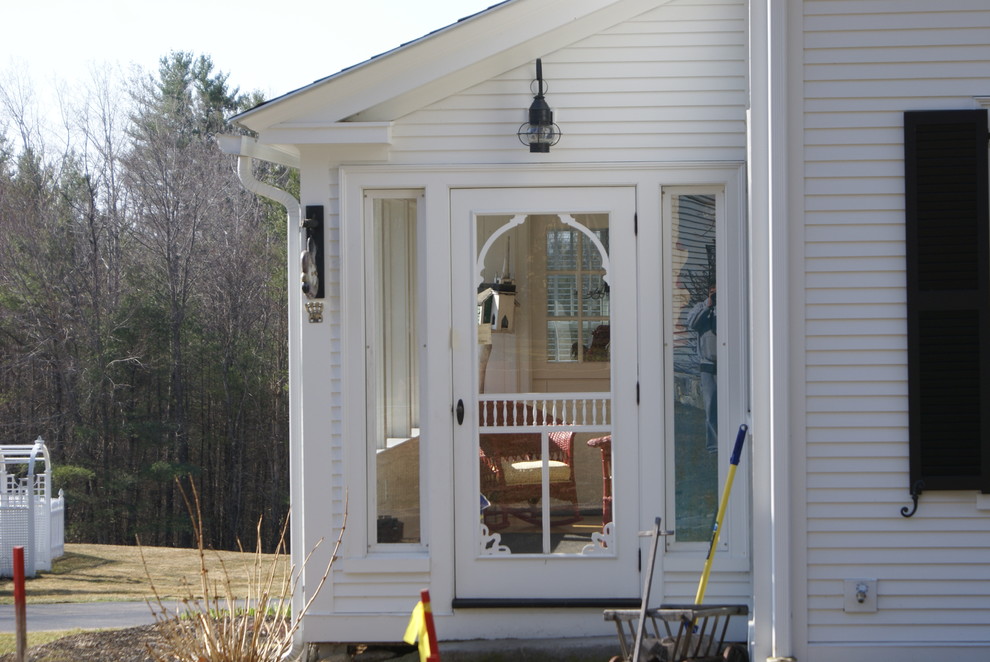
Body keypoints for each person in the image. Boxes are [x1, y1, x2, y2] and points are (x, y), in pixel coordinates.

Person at [686, 286, 717, 453]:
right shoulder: (701, 307)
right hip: (707, 365)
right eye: (713, 292)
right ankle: (714, 446)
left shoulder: (727, 307)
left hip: (727, 364)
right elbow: (692, 323)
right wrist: (708, 306)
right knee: (711, 406)